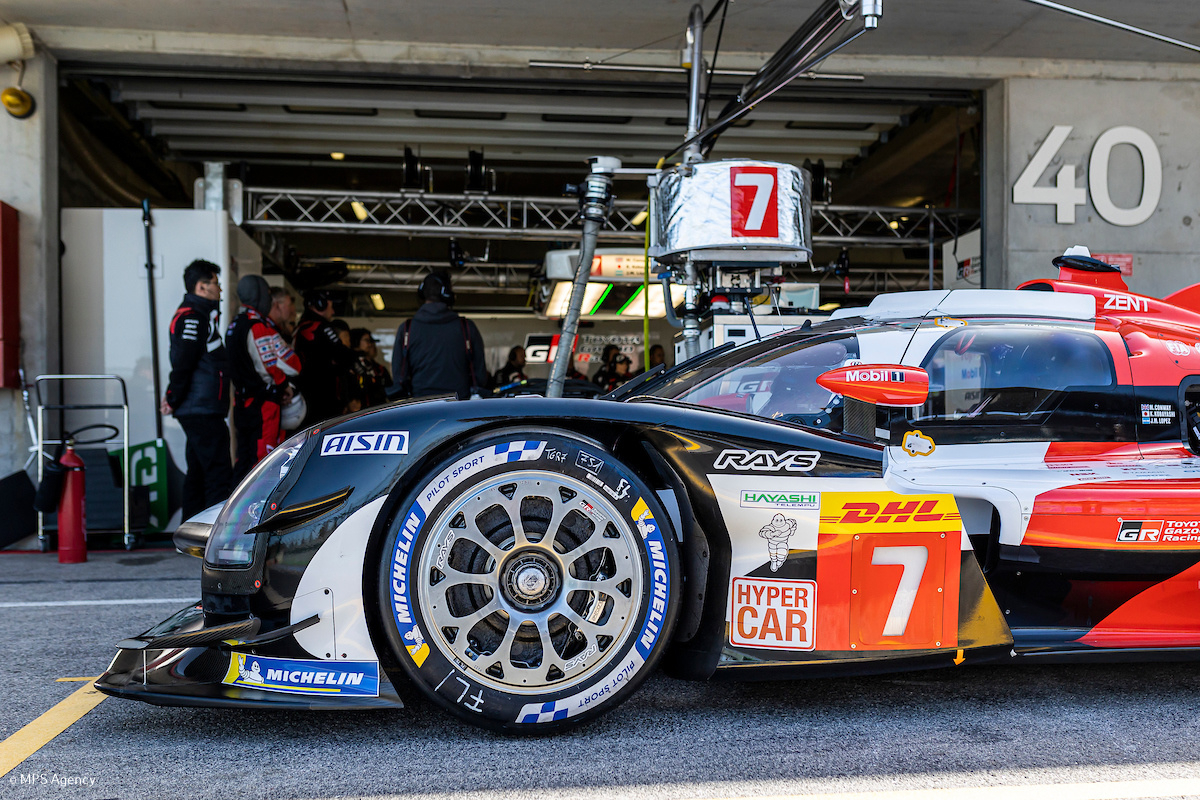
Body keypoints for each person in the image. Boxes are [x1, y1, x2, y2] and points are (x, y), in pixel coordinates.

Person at [163, 259, 232, 520]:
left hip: (202, 407)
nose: (220, 289)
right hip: (200, 408)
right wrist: (172, 397)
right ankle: (214, 533)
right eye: (216, 283)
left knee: (199, 472)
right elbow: (183, 362)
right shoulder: (192, 317)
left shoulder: (201, 314)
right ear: (201, 287)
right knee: (218, 473)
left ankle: (190, 531)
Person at [226, 275, 301, 483]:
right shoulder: (257, 325)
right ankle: (259, 502)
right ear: (258, 295)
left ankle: (237, 499)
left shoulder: (234, 325)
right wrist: (283, 385)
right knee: (264, 461)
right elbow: (269, 364)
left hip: (242, 402)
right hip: (262, 404)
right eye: (267, 294)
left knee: (244, 458)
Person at [392, 271, 487, 399]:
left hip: (420, 405)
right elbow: (480, 375)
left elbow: (399, 377)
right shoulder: (466, 327)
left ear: (422, 292)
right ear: (448, 294)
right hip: (459, 404)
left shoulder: (406, 329)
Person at [293, 289, 357, 424]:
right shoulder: (320, 327)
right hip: (322, 397)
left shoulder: (299, 327)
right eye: (331, 306)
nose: (332, 312)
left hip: (305, 396)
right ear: (320, 305)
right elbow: (345, 356)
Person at [350, 328, 391, 408]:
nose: (370, 345)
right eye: (367, 341)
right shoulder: (350, 364)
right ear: (356, 341)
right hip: (359, 409)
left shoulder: (379, 368)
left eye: (370, 342)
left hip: (376, 408)